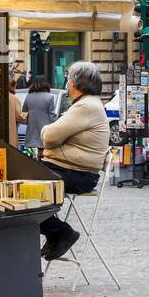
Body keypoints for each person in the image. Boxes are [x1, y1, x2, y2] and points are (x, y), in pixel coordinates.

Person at [37, 61, 109, 261]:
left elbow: (49, 136)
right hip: (72, 171)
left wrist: (47, 132)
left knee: (24, 190)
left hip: (77, 174)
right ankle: (55, 232)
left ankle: (60, 232)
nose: (67, 83)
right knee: (25, 184)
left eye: (68, 79)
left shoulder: (86, 106)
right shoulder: (88, 104)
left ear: (77, 84)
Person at [21, 75, 59, 155]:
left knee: (32, 155)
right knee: (43, 153)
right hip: (45, 129)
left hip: (31, 129)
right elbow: (52, 115)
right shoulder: (50, 97)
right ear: (46, 84)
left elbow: (24, 111)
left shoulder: (29, 96)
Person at [7, 77, 27, 147]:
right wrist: (29, 114)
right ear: (13, 86)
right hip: (9, 133)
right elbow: (20, 116)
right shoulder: (13, 98)